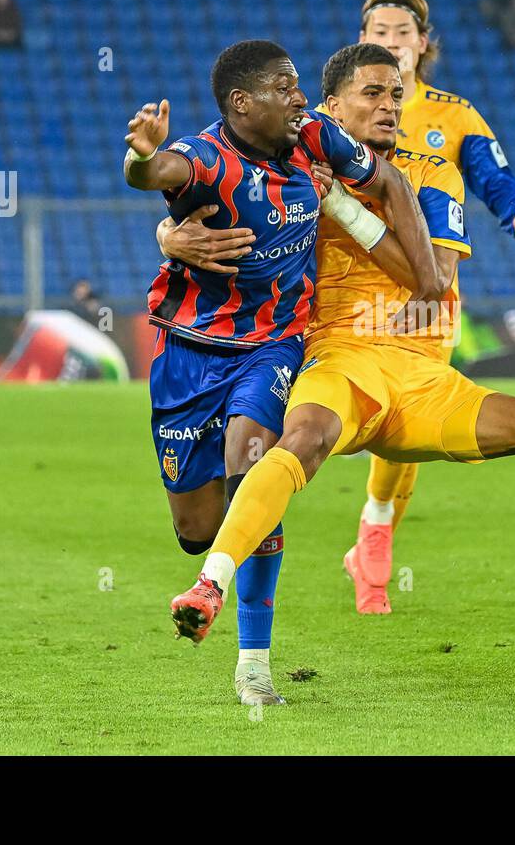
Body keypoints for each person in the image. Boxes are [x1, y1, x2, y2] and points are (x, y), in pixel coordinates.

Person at [163, 45, 515, 646]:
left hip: (422, 375)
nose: (390, 106)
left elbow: (432, 279)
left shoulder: (431, 172)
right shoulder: (289, 167)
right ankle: (210, 584)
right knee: (301, 439)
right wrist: (169, 234)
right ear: (331, 106)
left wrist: (341, 203)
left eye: (396, 94)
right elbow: (208, 192)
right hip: (338, 359)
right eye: (372, 94)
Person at [125, 39, 440, 703]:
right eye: (284, 87)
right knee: (197, 530)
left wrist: (429, 280)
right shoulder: (205, 158)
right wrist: (142, 159)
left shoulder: (315, 138)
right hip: (188, 353)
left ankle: (253, 665)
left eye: (299, 85)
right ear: (242, 103)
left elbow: (389, 180)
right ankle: (221, 552)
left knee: (255, 467)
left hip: (273, 347)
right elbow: (154, 174)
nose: (300, 98)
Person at [329, 0, 515, 613]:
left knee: (408, 416)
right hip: (345, 292)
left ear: (423, 43)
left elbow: (491, 174)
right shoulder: (336, 112)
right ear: (363, 39)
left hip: (426, 292)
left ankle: (375, 524)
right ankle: (364, 534)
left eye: (403, 32)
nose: (392, 41)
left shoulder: (453, 114)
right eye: (380, 31)